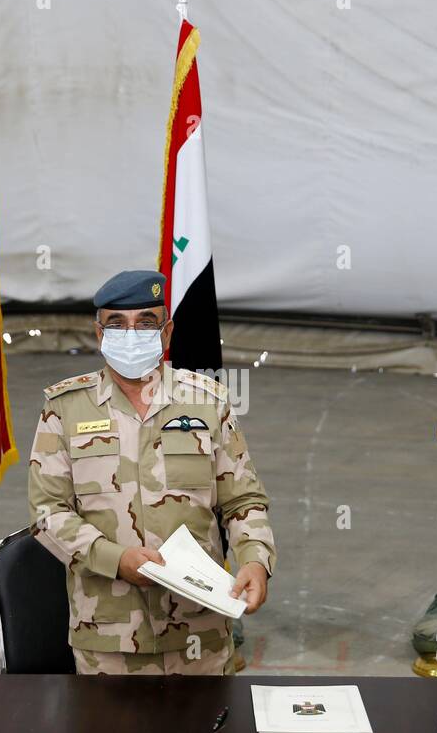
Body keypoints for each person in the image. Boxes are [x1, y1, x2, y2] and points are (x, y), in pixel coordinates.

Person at [27, 269, 276, 675]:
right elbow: (47, 515)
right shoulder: (64, 407)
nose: (131, 334)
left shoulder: (207, 402)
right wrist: (117, 559)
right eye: (117, 324)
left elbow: (243, 500)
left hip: (200, 628)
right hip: (107, 633)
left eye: (145, 322)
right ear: (99, 333)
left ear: (166, 332)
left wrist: (255, 560)